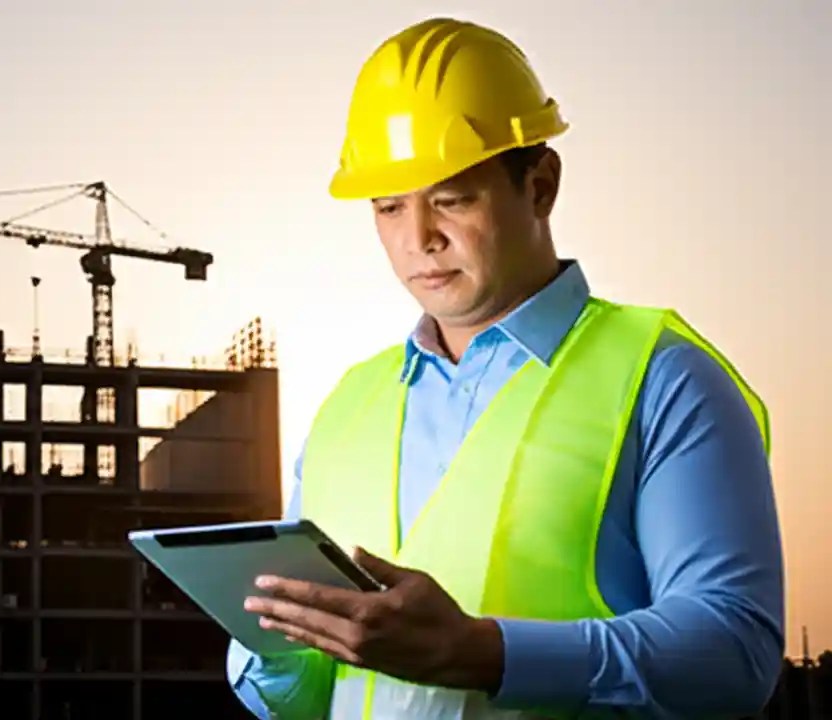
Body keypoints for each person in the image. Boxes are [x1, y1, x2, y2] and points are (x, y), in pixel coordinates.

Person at [224, 16, 785, 720]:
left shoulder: (664, 379)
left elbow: (735, 655)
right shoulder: (346, 407)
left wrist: (484, 654)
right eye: (390, 207)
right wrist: (270, 645)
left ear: (540, 186)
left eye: (452, 199)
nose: (419, 239)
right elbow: (305, 697)